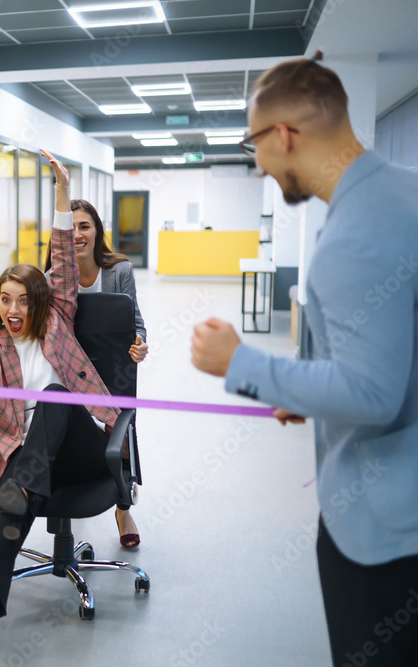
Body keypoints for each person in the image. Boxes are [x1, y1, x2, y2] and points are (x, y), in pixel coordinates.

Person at [190, 52, 418, 666]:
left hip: (385, 535)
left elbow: (372, 391)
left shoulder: (353, 236)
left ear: (283, 135)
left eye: (253, 144)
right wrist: (302, 390)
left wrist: (242, 362)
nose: (258, 163)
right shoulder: (404, 193)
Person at [0, 149, 122, 620]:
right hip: (33, 463)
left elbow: (63, 259)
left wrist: (62, 193)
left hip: (85, 442)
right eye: (4, 300)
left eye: (22, 301)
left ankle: (18, 497)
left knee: (53, 399)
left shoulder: (59, 318)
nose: (13, 310)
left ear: (40, 302)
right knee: (19, 494)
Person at [44, 198, 148, 548]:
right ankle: (69, 502)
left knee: (119, 440)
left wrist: (139, 344)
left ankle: (122, 507)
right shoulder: (51, 280)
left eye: (84, 226)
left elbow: (136, 325)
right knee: (73, 438)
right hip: (70, 376)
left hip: (114, 374)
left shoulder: (118, 272)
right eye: (69, 227)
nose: (77, 234)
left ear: (96, 230)